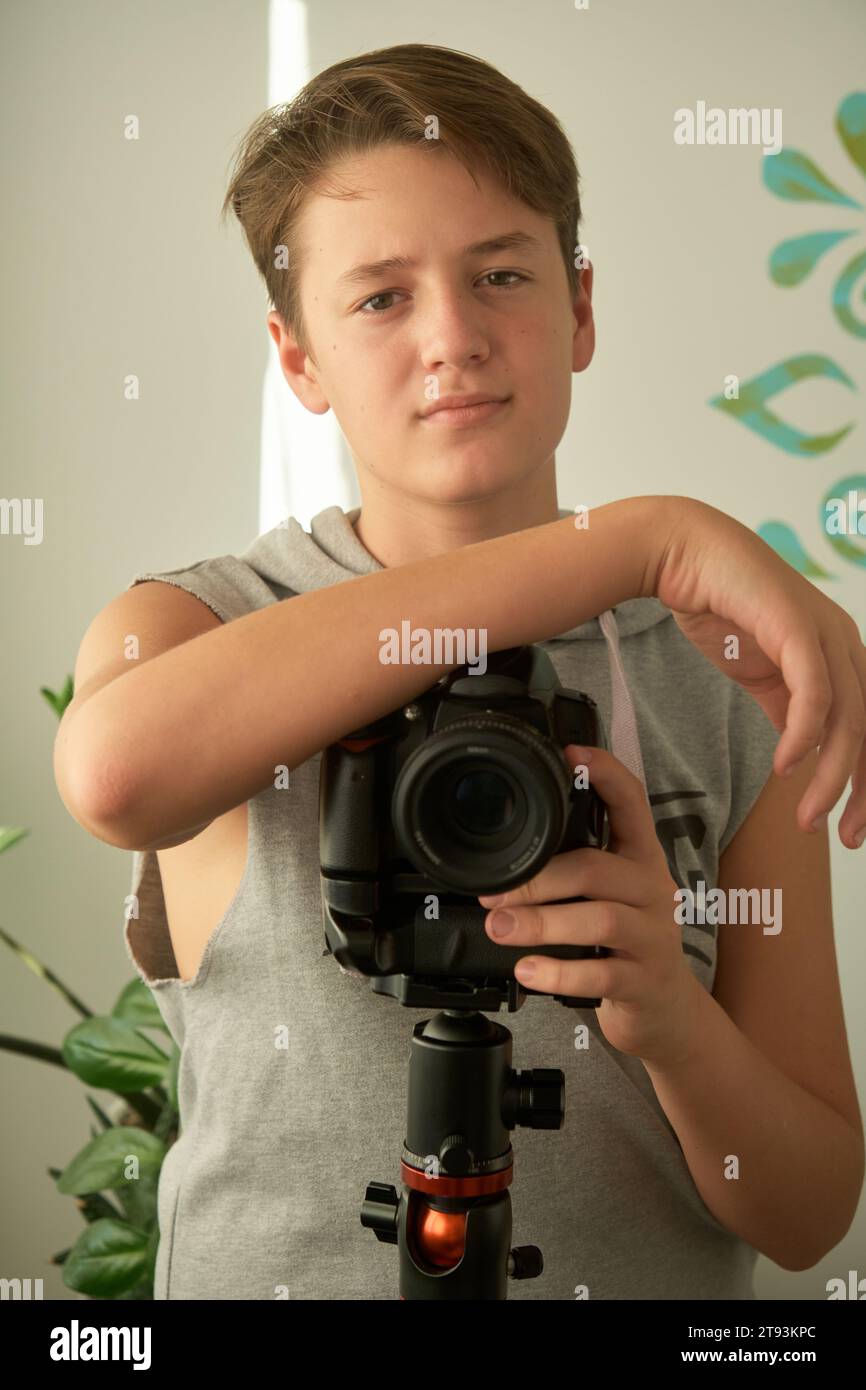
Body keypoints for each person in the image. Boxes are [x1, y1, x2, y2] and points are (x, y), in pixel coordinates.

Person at [54, 43, 865, 1300]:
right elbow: (113, 775)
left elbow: (810, 1209)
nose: (453, 336)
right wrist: (637, 541)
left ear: (580, 308)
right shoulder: (196, 625)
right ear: (299, 358)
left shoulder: (720, 675)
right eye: (379, 298)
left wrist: (668, 1017)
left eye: (501, 273)